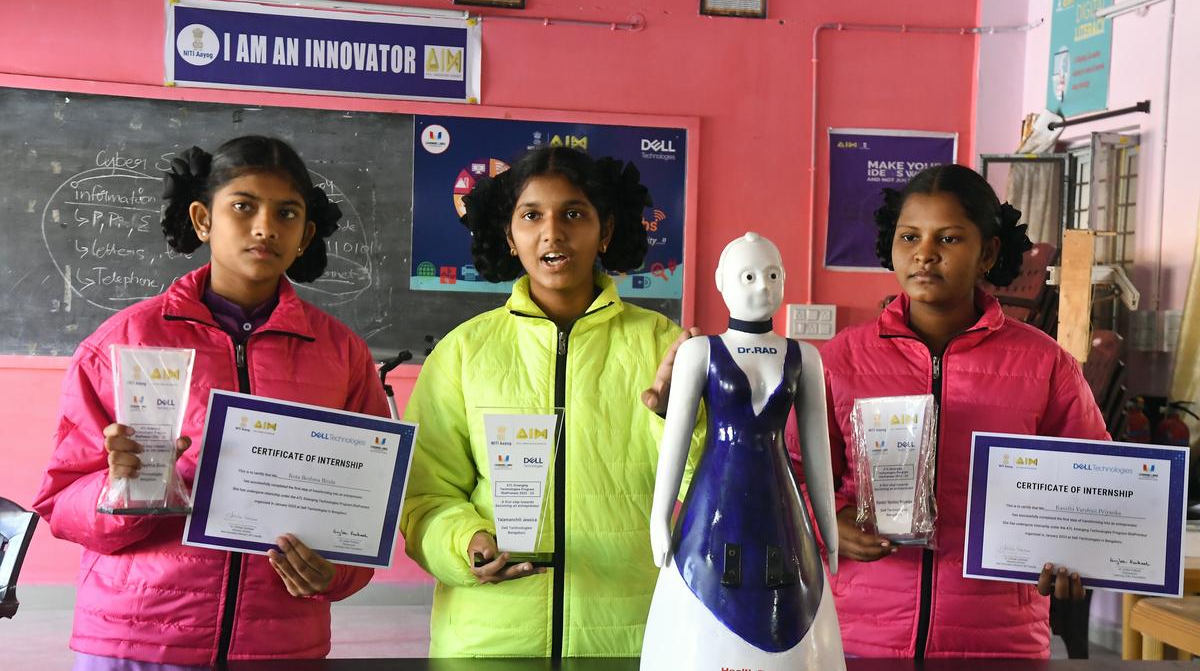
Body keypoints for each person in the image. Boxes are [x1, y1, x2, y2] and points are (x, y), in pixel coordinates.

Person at [33, 136, 388, 667]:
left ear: (305, 234)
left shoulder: (341, 354)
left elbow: (366, 502)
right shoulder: (124, 340)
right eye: (243, 206)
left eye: (286, 213)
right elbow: (62, 504)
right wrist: (118, 487)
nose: (265, 226)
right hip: (138, 637)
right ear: (203, 220)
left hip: (278, 641)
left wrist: (334, 573)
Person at [400, 146, 702, 657]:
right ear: (508, 235)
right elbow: (423, 496)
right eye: (531, 215)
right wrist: (464, 544)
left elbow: (712, 489)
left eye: (574, 214)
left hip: (630, 635)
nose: (553, 232)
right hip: (488, 640)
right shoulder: (463, 353)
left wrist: (678, 421)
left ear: (604, 232)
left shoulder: (663, 346)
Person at [821, 164, 1108, 658]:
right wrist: (828, 520)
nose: (925, 253)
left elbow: (1092, 478)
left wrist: (1074, 551)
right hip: (859, 636)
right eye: (909, 236)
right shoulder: (840, 359)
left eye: (949, 239)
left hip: (999, 638)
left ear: (988, 253)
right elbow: (791, 473)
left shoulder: (1043, 364)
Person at [641, 233, 844, 670]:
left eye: (772, 276)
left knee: (793, 609)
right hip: (712, 504)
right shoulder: (699, 352)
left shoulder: (805, 357)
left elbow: (817, 451)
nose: (761, 287)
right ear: (721, 282)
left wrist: (828, 529)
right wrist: (659, 518)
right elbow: (675, 439)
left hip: (780, 505)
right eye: (748, 276)